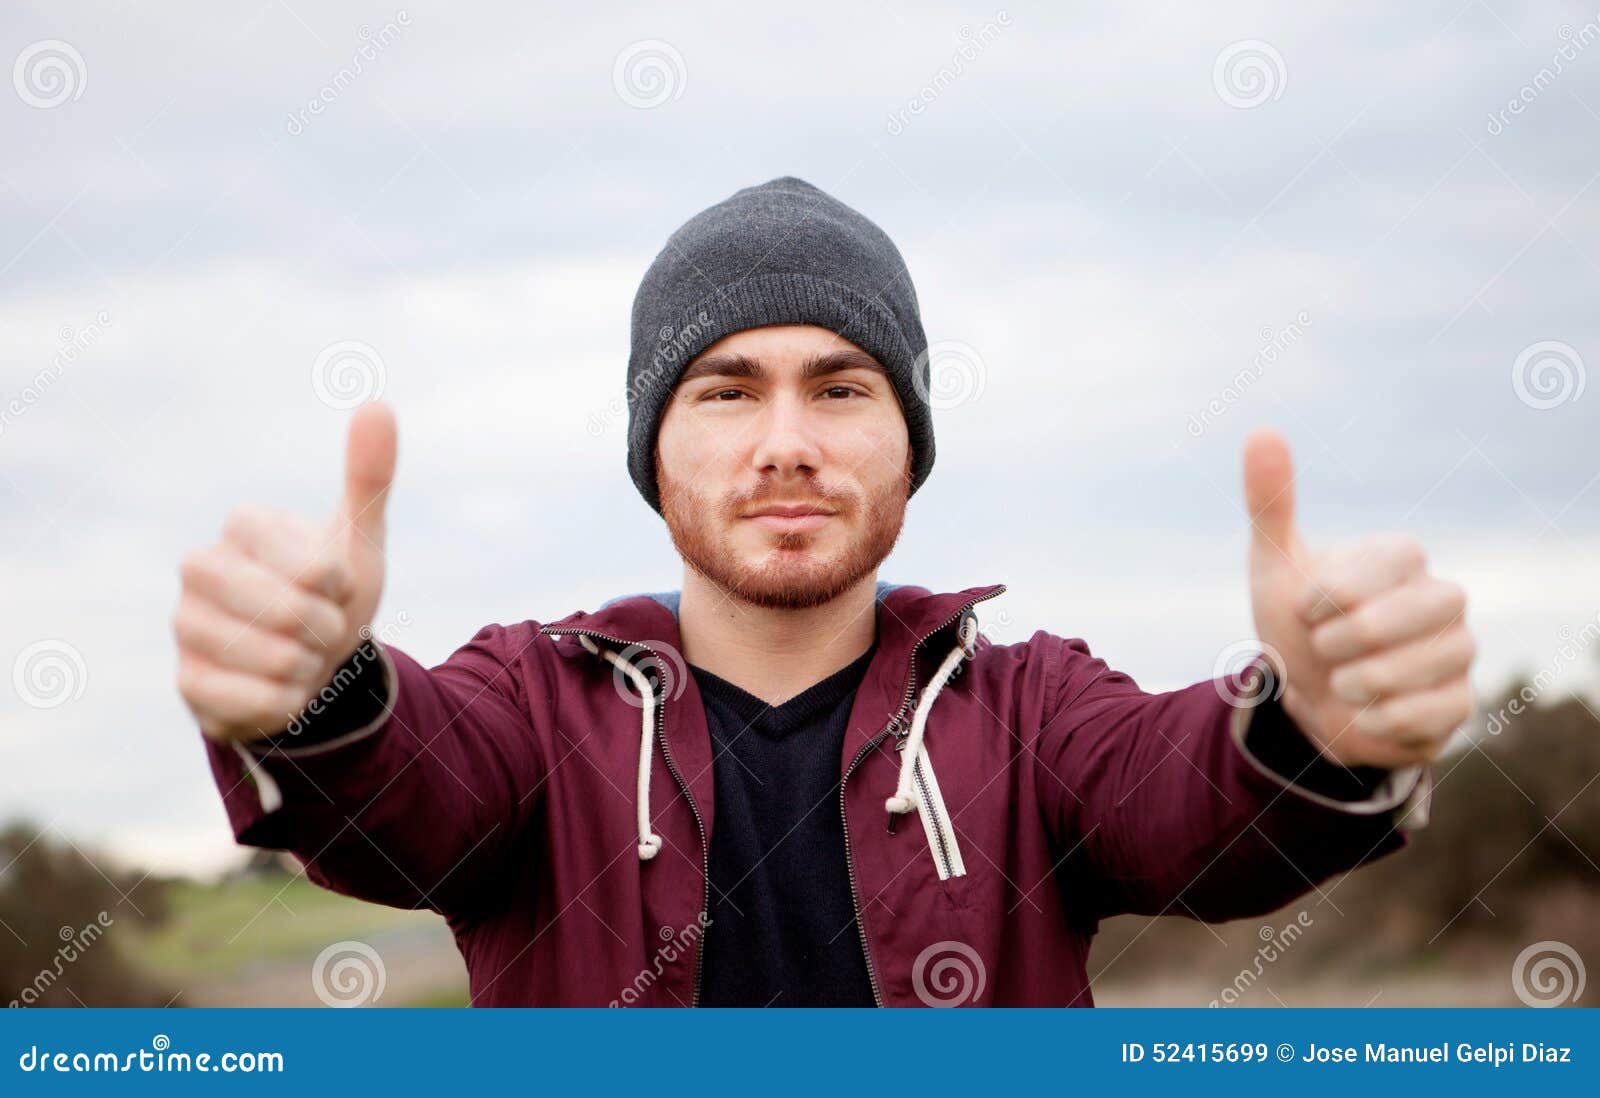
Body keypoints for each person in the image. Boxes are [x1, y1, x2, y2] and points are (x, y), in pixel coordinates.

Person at [174, 177, 1475, 1007]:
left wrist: (1319, 724)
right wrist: (316, 682)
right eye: (727, 389)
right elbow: (404, 781)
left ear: (908, 441)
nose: (785, 439)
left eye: (842, 387)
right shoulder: (534, 708)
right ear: (653, 447)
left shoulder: (1028, 711)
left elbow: (1196, 800)